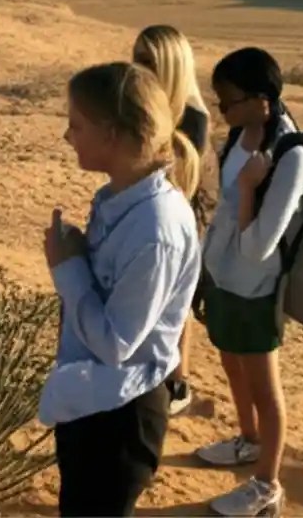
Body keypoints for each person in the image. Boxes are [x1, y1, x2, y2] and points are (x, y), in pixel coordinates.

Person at [38, 61, 202, 517]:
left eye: (77, 125)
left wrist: (67, 267)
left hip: (121, 415)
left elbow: (117, 343)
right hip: (93, 400)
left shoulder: (155, 229)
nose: (67, 137)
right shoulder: (118, 200)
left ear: (111, 134)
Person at [195, 47, 303, 517]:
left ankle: (267, 485)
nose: (223, 112)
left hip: (257, 287)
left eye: (229, 101)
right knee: (231, 364)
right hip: (223, 275)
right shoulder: (241, 136)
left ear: (261, 99)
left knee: (265, 386)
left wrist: (246, 189)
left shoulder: (291, 156)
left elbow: (259, 246)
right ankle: (247, 439)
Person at [131, 24, 212, 416]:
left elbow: (179, 176)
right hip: (140, 212)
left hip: (176, 219)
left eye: (148, 59)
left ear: (171, 65)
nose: (139, 66)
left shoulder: (192, 117)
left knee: (175, 305)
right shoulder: (143, 103)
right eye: (136, 57)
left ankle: (177, 382)